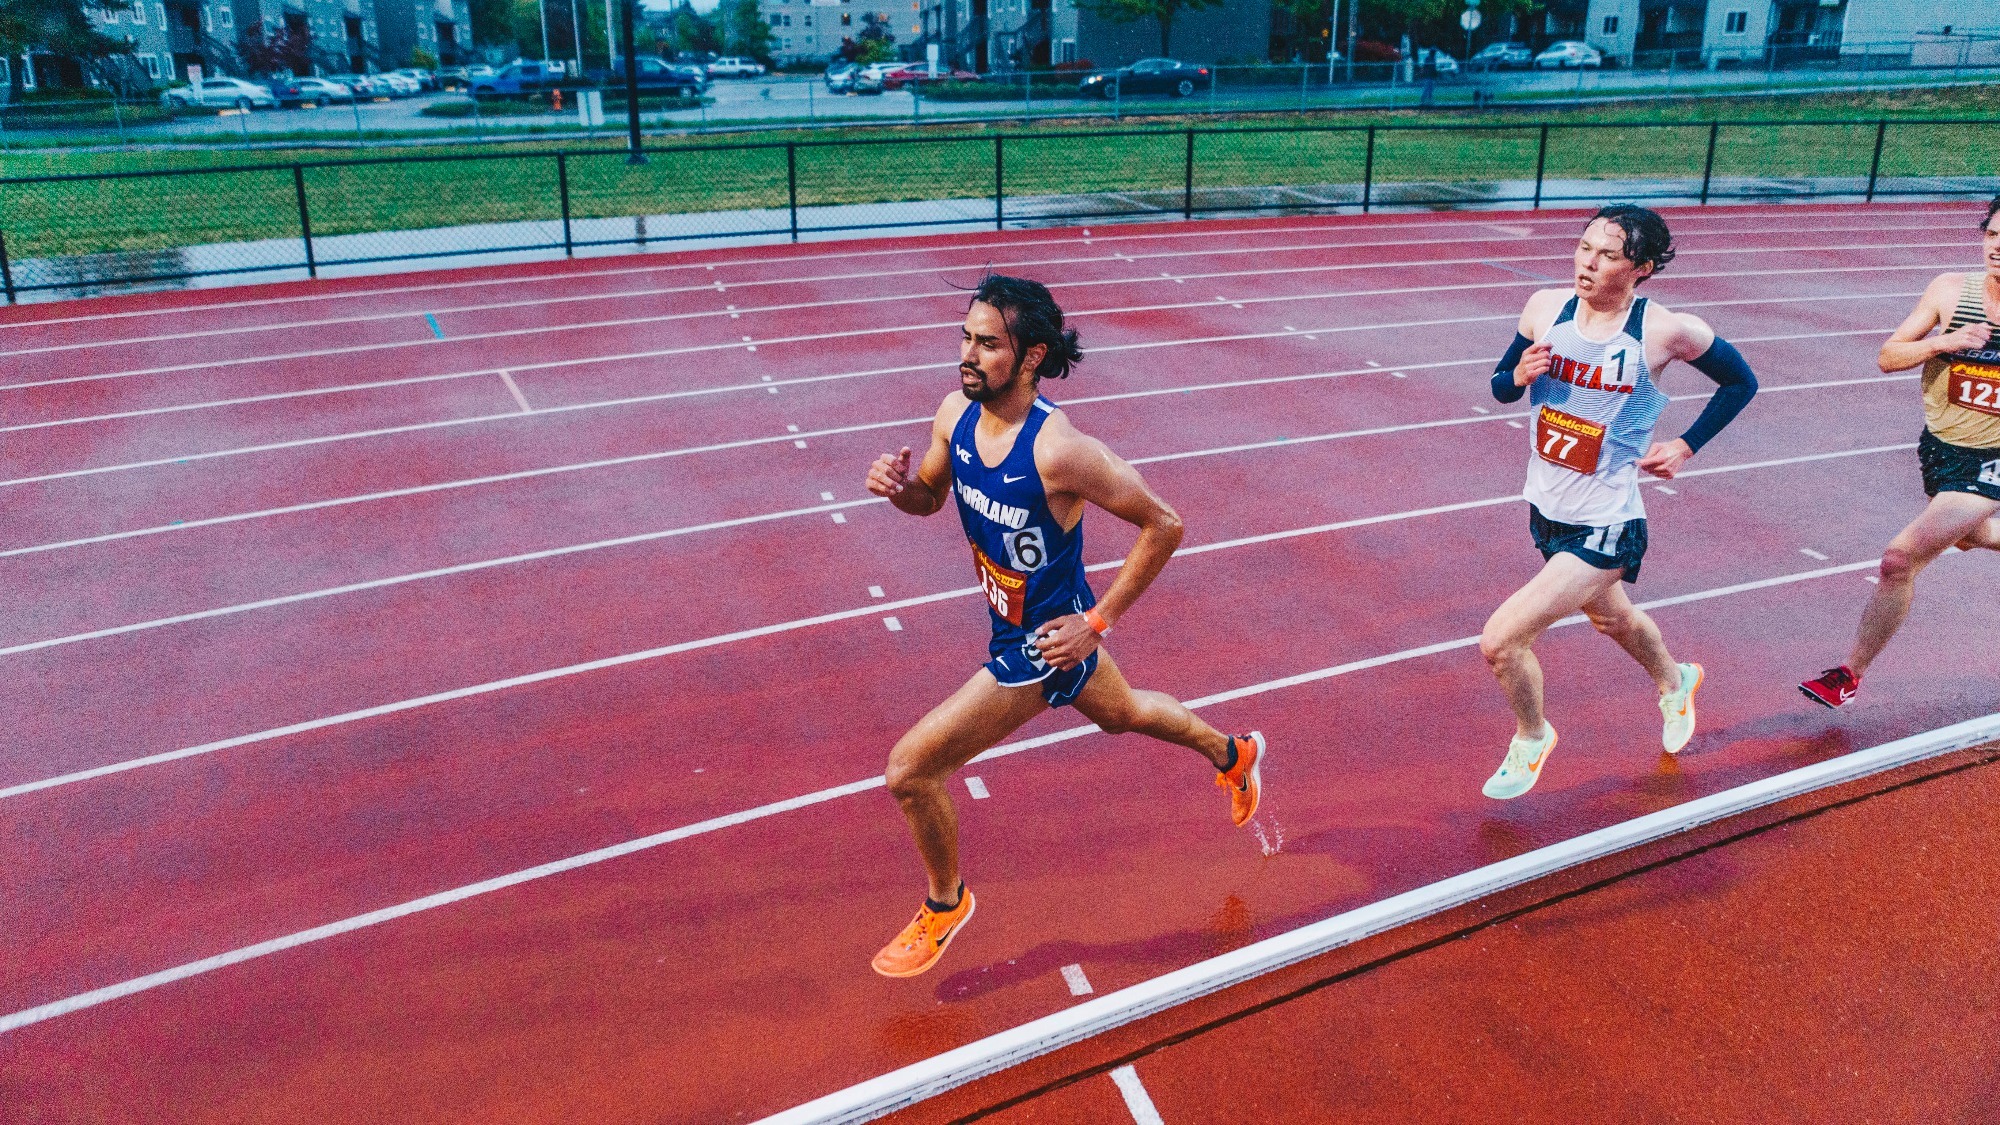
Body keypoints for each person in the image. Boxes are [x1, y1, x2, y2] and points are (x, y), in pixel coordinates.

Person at [861, 275, 1267, 978]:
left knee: (910, 769)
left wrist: (1096, 622)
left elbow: (1164, 525)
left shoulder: (1060, 450)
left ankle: (945, 903)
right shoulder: (953, 416)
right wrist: (902, 492)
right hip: (1022, 633)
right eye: (966, 336)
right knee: (1126, 711)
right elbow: (930, 497)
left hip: (1041, 649)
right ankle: (1234, 754)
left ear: (1031, 358)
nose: (968, 353)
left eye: (989, 344)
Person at [1479, 204, 1760, 800]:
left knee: (1502, 640)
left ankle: (1532, 737)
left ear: (1642, 269)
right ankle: (1675, 680)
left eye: (1608, 255)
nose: (1588, 263)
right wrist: (1519, 376)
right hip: (1549, 508)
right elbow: (1501, 387)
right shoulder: (1543, 308)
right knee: (1613, 618)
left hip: (1610, 520)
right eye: (1584, 248)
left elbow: (1742, 383)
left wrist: (1685, 445)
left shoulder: (1664, 330)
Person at [1801, 197, 2000, 707]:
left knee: (1898, 560)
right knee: (1975, 535)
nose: (1998, 248)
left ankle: (1847, 675)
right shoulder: (1951, 291)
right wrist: (1942, 342)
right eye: (1993, 235)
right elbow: (1888, 357)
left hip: (1993, 458)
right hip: (1941, 450)